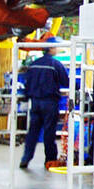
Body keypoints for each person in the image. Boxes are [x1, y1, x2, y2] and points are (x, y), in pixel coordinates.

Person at [18, 36, 70, 170]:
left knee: (33, 132)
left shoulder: (34, 64)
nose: (57, 50)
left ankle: (26, 158)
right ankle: (50, 160)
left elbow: (26, 84)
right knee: (49, 132)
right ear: (51, 49)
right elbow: (66, 82)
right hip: (49, 103)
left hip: (35, 102)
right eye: (56, 47)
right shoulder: (55, 65)